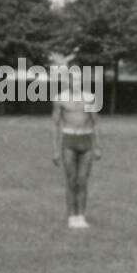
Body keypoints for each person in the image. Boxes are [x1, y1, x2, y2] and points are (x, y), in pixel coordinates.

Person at [51, 67, 101, 229]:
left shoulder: (89, 98)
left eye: (79, 79)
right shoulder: (60, 99)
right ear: (69, 81)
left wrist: (98, 147)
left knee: (83, 180)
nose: (77, 83)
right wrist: (56, 150)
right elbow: (55, 125)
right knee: (71, 180)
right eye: (74, 79)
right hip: (68, 141)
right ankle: (72, 217)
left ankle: (81, 216)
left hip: (86, 141)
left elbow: (95, 123)